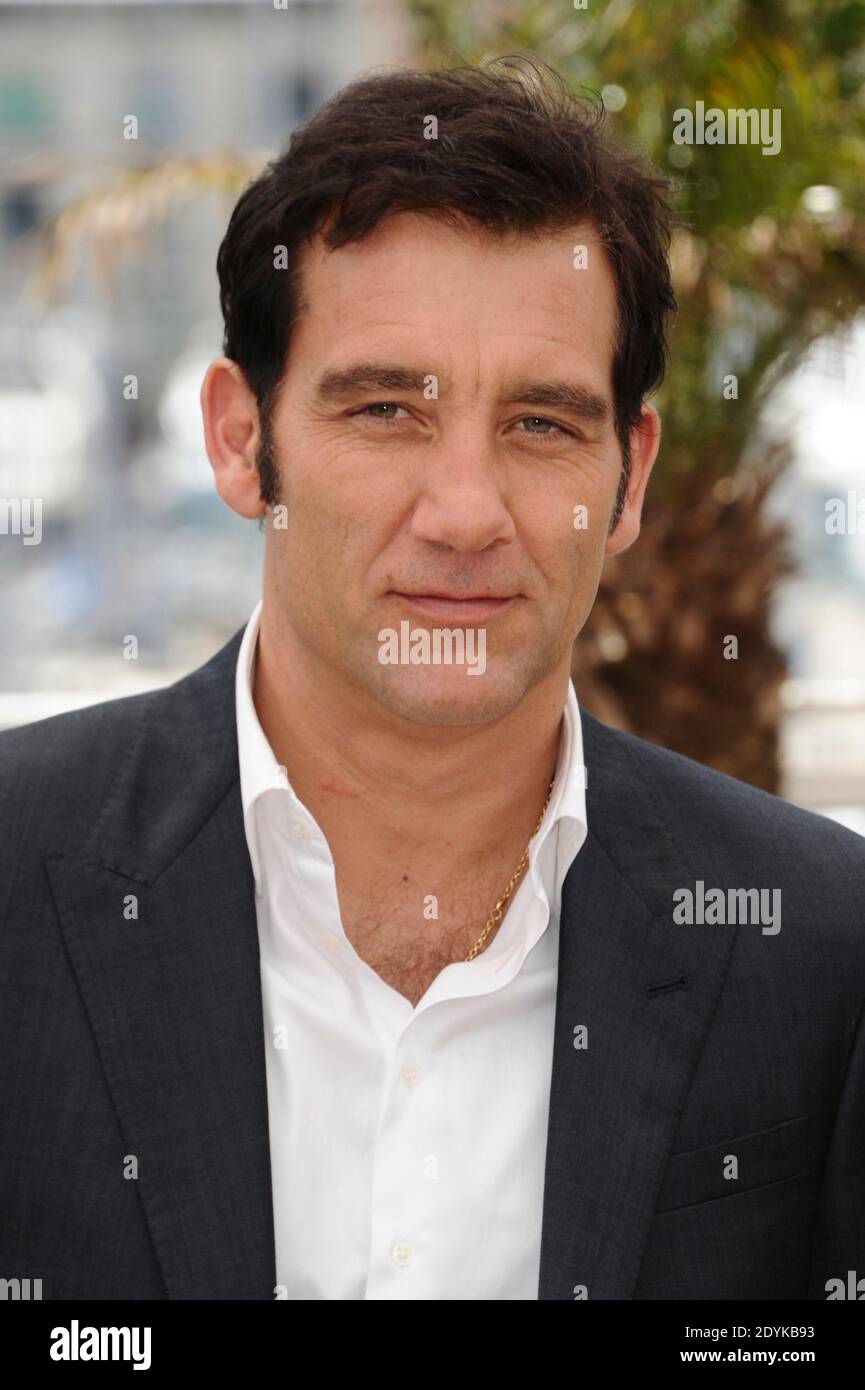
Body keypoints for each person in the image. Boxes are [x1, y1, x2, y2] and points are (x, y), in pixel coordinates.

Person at [1, 58, 863, 1302]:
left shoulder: (817, 945)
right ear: (244, 442)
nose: (466, 513)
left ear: (627, 477)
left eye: (541, 423)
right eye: (388, 410)